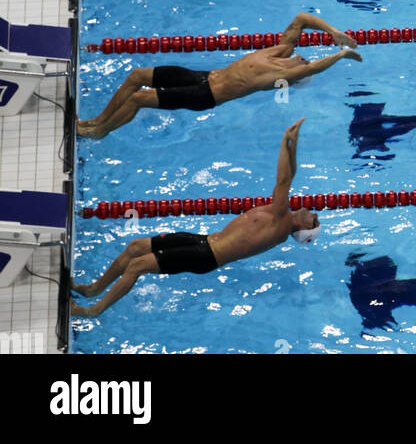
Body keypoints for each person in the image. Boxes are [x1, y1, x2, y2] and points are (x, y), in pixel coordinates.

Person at [71, 121, 319, 317]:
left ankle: (93, 311)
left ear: (302, 230)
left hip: (205, 256)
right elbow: (290, 175)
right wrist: (292, 144)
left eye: (314, 222)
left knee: (137, 265)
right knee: (136, 246)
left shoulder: (281, 224)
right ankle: (94, 288)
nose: (315, 214)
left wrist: (285, 142)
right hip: (204, 241)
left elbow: (283, 181)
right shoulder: (281, 216)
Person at [77, 11, 361, 139]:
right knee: (138, 75)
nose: (304, 57)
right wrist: (333, 32)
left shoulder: (277, 78)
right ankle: (98, 120)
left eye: (304, 62)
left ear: (295, 77)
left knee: (139, 99)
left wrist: (341, 55)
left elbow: (312, 68)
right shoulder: (282, 49)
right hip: (201, 76)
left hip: (205, 95)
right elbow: (301, 18)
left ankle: (102, 131)